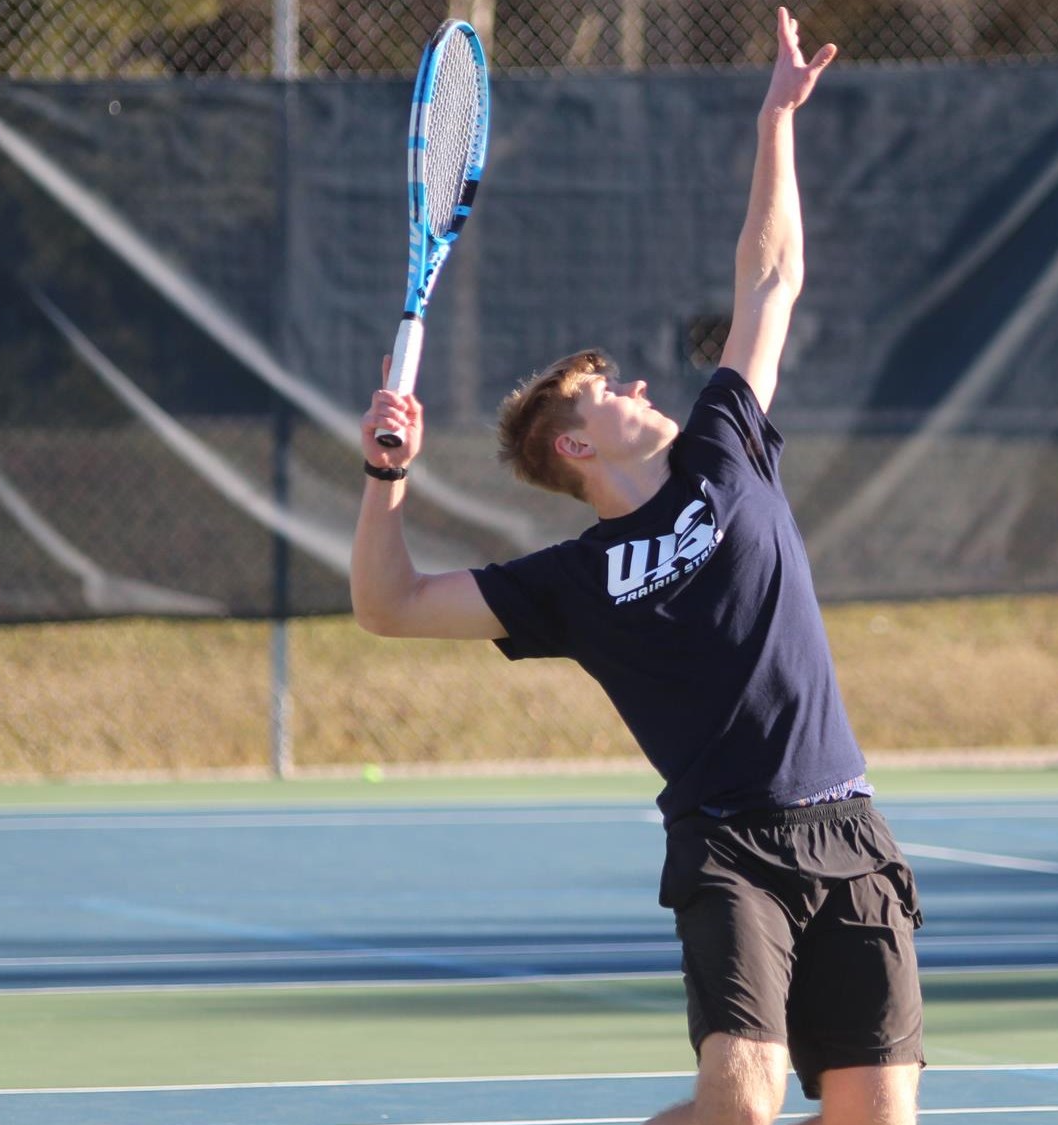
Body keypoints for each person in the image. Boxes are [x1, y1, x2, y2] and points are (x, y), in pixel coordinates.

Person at [350, 10, 922, 1125]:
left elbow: (770, 278)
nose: (641, 387)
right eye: (609, 388)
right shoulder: (570, 579)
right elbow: (389, 606)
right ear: (574, 446)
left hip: (850, 832)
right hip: (728, 845)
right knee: (742, 1105)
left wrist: (774, 124)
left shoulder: (726, 445)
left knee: (874, 1121)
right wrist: (388, 479)